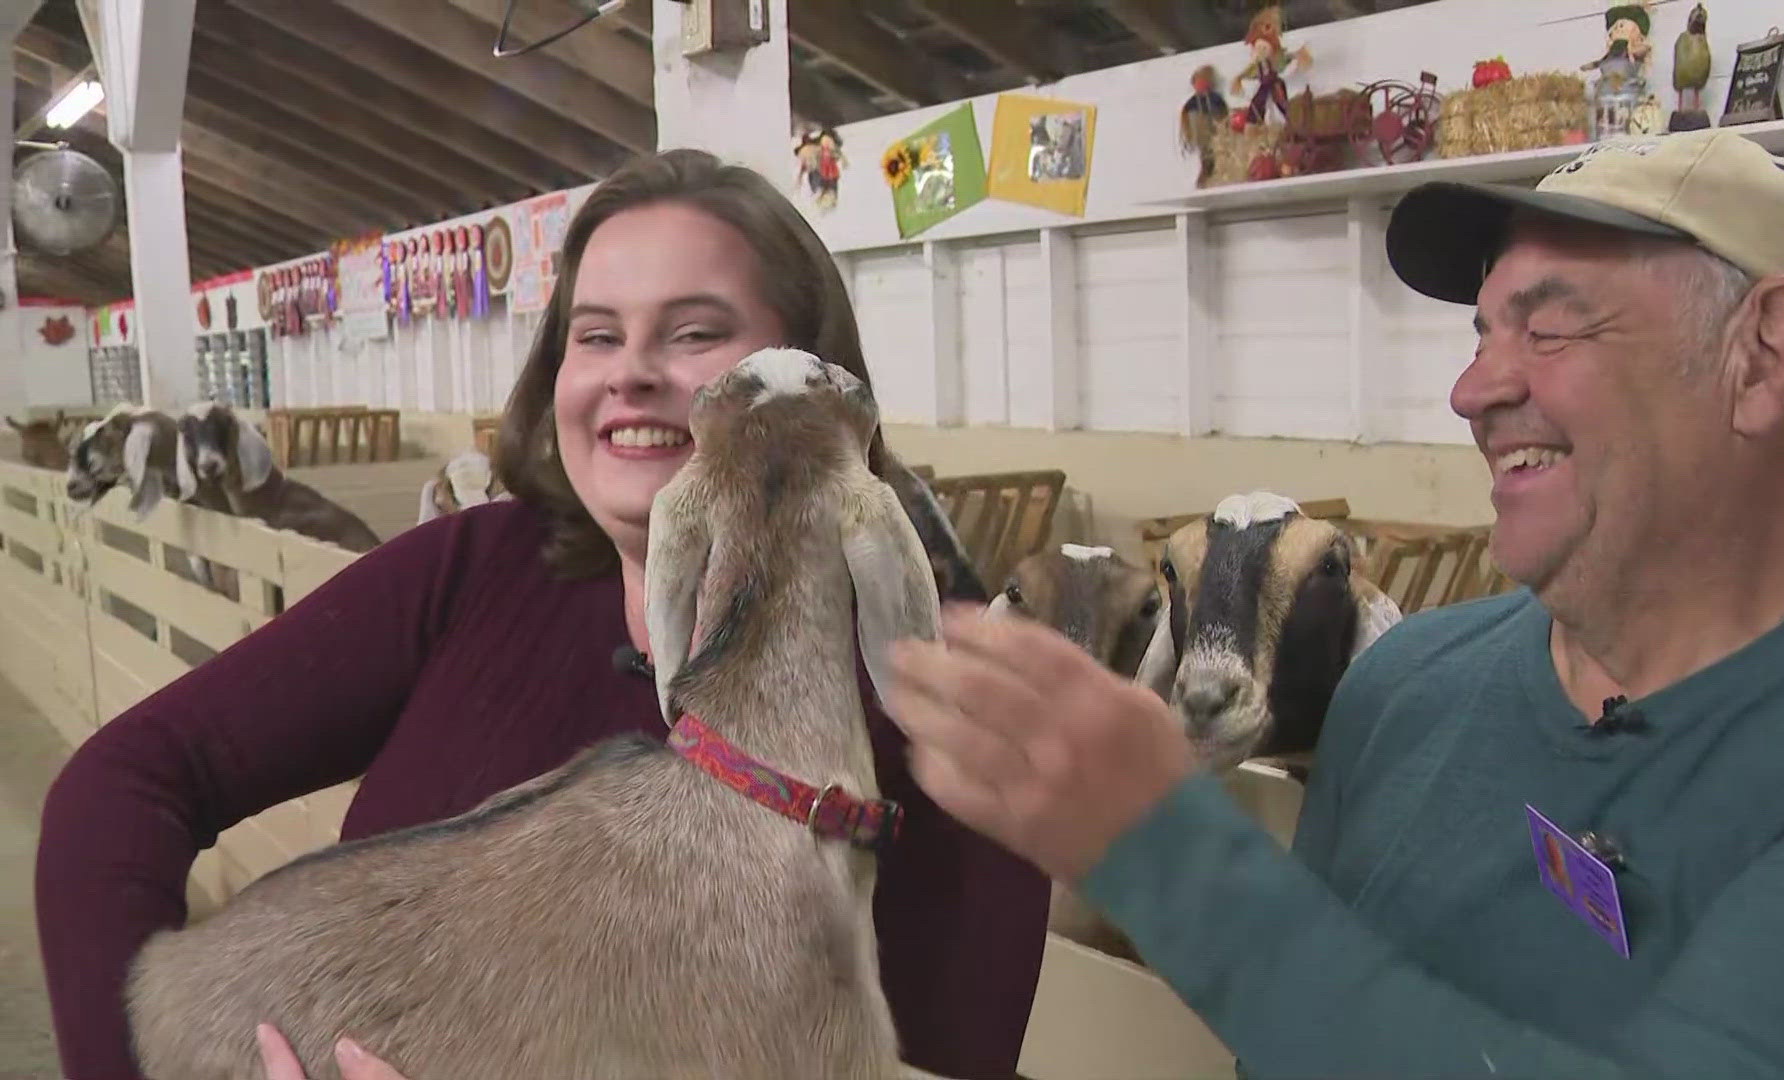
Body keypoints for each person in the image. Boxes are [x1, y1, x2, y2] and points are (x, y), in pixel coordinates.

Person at [887, 127, 1784, 1078]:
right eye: (1481, 334)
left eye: (1550, 329)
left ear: (1768, 354)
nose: (1471, 392)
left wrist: (1163, 850)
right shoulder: (1407, 686)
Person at [36, 149, 1050, 1080]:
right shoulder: (474, 573)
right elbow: (130, 781)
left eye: (697, 333)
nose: (630, 371)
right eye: (595, 334)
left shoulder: (948, 729)